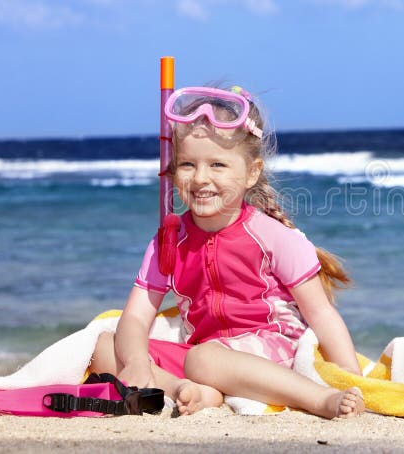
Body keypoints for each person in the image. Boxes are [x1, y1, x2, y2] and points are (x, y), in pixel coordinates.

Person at [90, 85, 364, 419]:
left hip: (269, 352)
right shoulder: (169, 241)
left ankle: (318, 399)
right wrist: (135, 362)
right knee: (105, 346)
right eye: (187, 164)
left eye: (217, 164)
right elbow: (135, 317)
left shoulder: (272, 236)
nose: (200, 178)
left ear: (251, 173)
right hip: (202, 355)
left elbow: (320, 313)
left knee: (204, 359)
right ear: (172, 171)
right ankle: (185, 391)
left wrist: (351, 378)